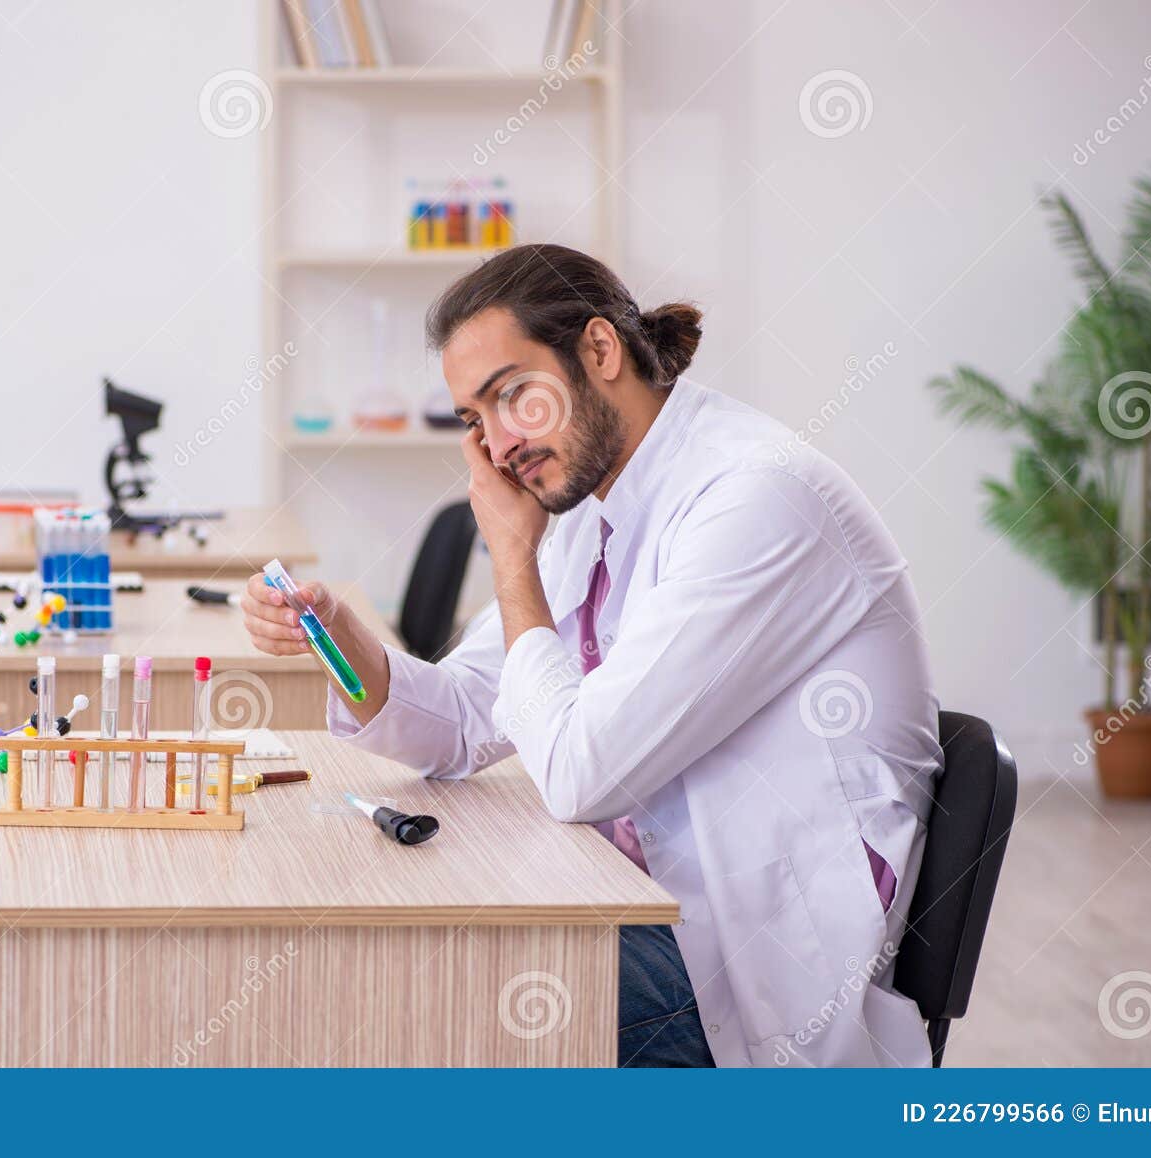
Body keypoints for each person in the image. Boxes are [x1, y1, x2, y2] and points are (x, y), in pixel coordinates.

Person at [241, 244, 941, 1067]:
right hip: (644, 905)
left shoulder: (754, 495)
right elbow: (466, 721)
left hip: (745, 976)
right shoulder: (592, 510)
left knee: (399, 981)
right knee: (371, 945)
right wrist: (341, 638)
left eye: (512, 397)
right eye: (473, 420)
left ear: (600, 352)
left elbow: (580, 773)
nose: (497, 447)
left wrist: (510, 559)